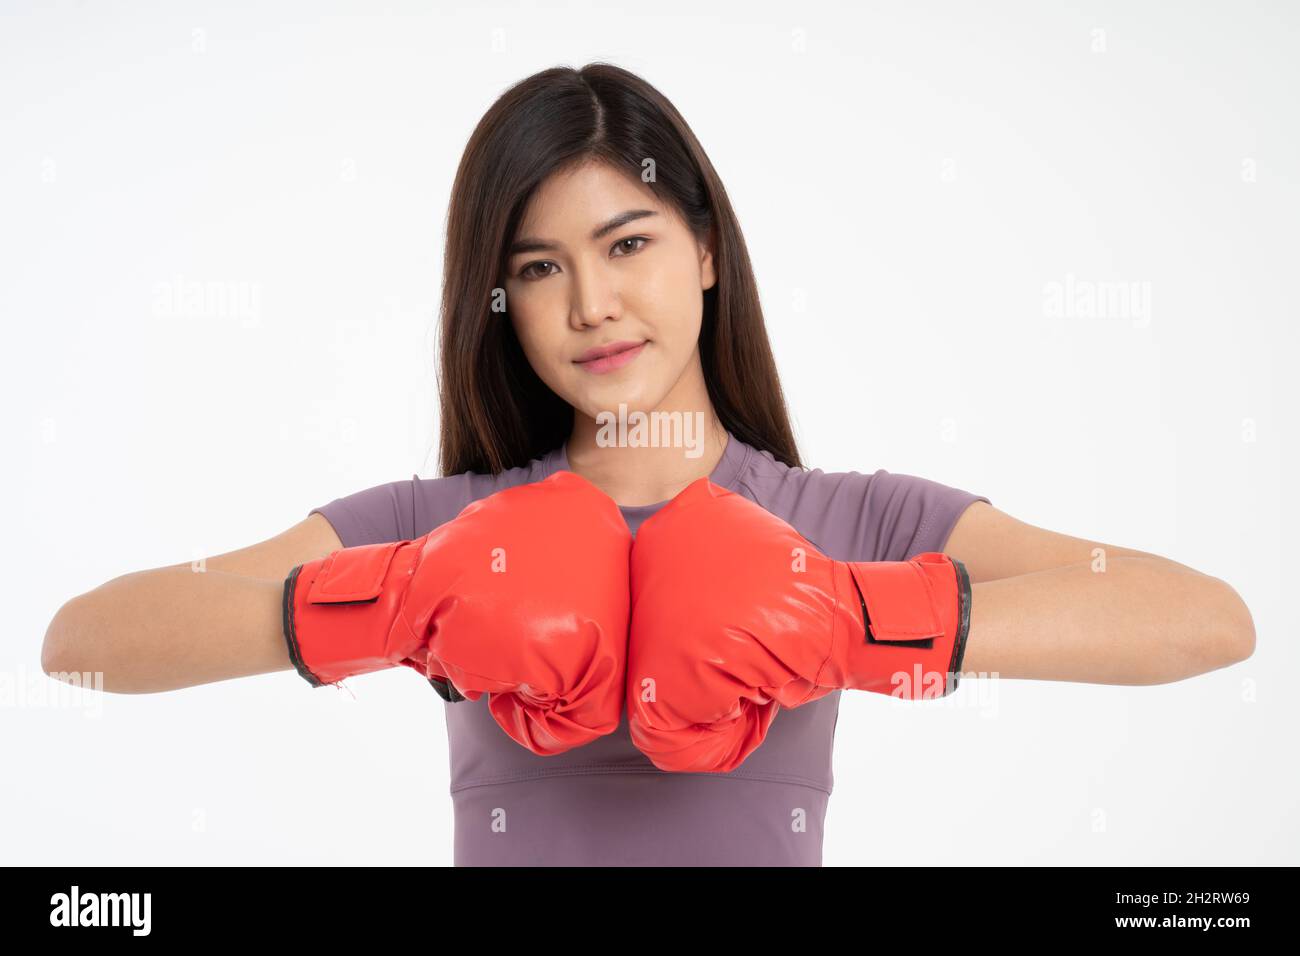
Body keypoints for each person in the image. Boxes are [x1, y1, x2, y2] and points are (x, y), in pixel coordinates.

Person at [41, 63, 1257, 867]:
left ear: (708, 250)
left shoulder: (847, 517)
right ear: (500, 300)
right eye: (537, 267)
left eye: (627, 242)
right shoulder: (434, 523)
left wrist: (855, 615)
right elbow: (84, 638)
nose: (592, 303)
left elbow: (1203, 620)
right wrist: (393, 601)